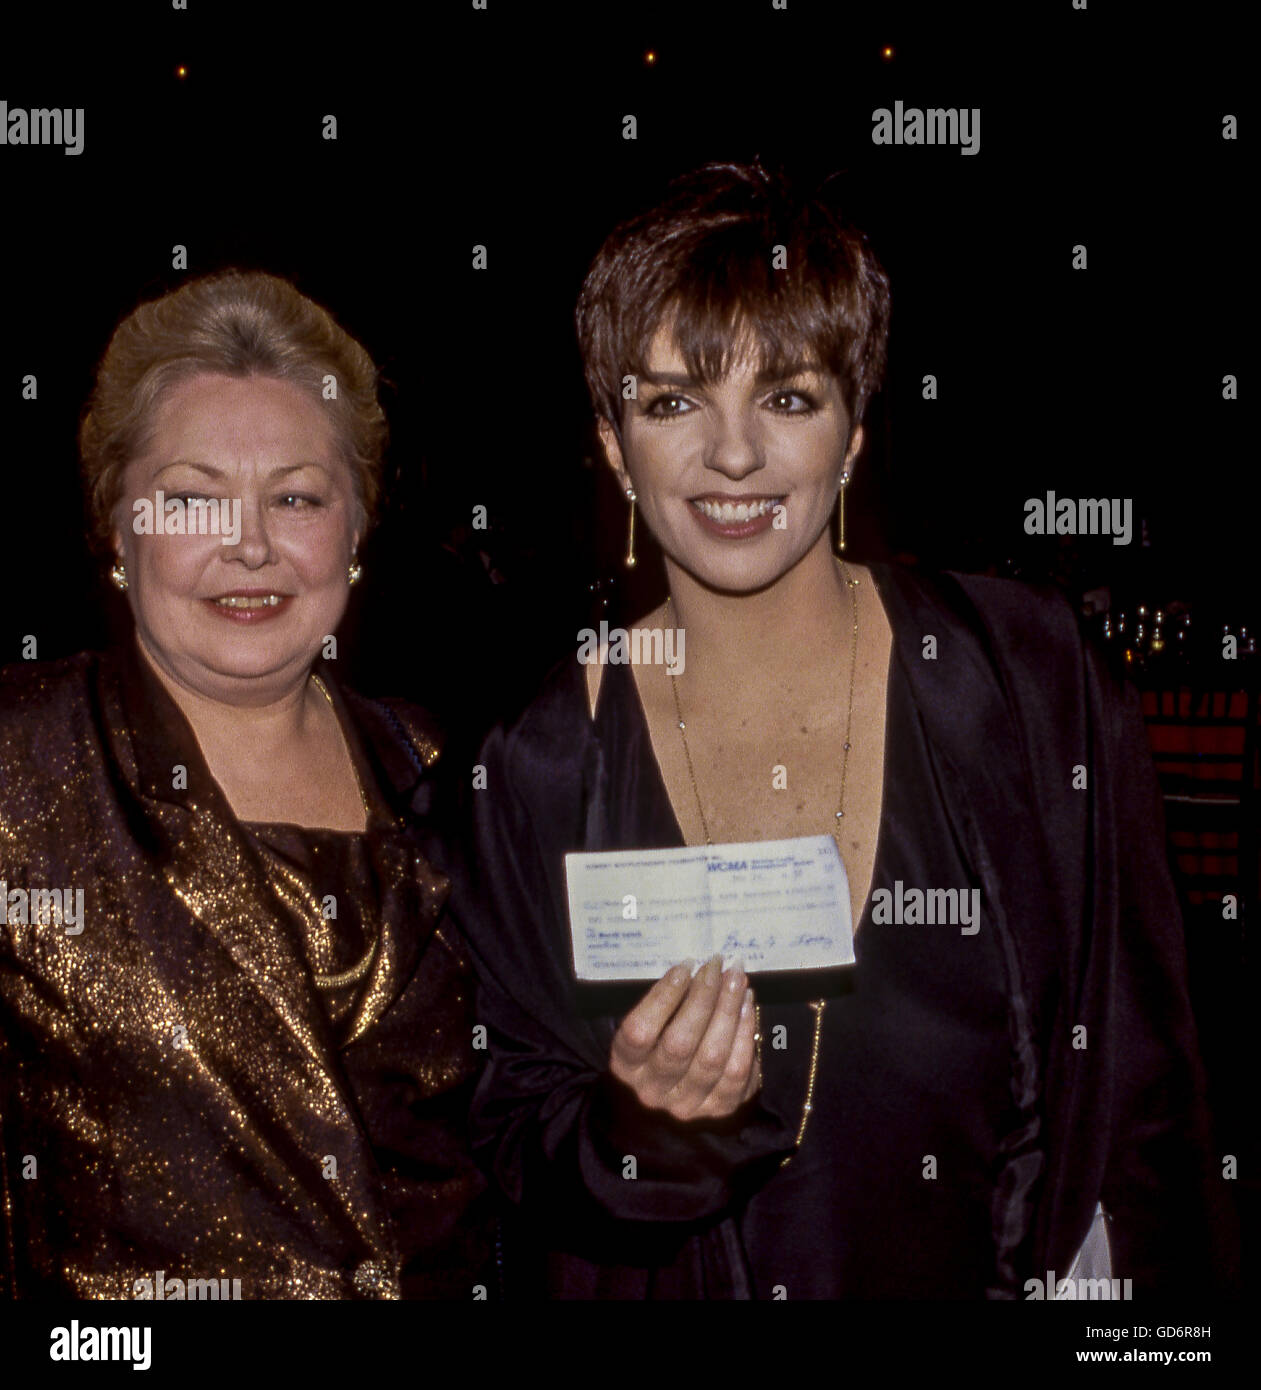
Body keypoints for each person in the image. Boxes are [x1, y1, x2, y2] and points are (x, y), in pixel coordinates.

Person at [451, 162, 1239, 1298]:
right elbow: (511, 1152)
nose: (733, 455)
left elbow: (1144, 1098)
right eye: (673, 401)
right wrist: (639, 1129)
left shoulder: (1026, 685)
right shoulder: (527, 769)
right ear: (615, 446)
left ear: (855, 428)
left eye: (787, 395)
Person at [0, 270, 495, 1298]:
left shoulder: (455, 776)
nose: (252, 545)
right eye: (193, 496)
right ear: (118, 526)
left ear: (355, 531)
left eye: (297, 497)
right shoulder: (20, 756)